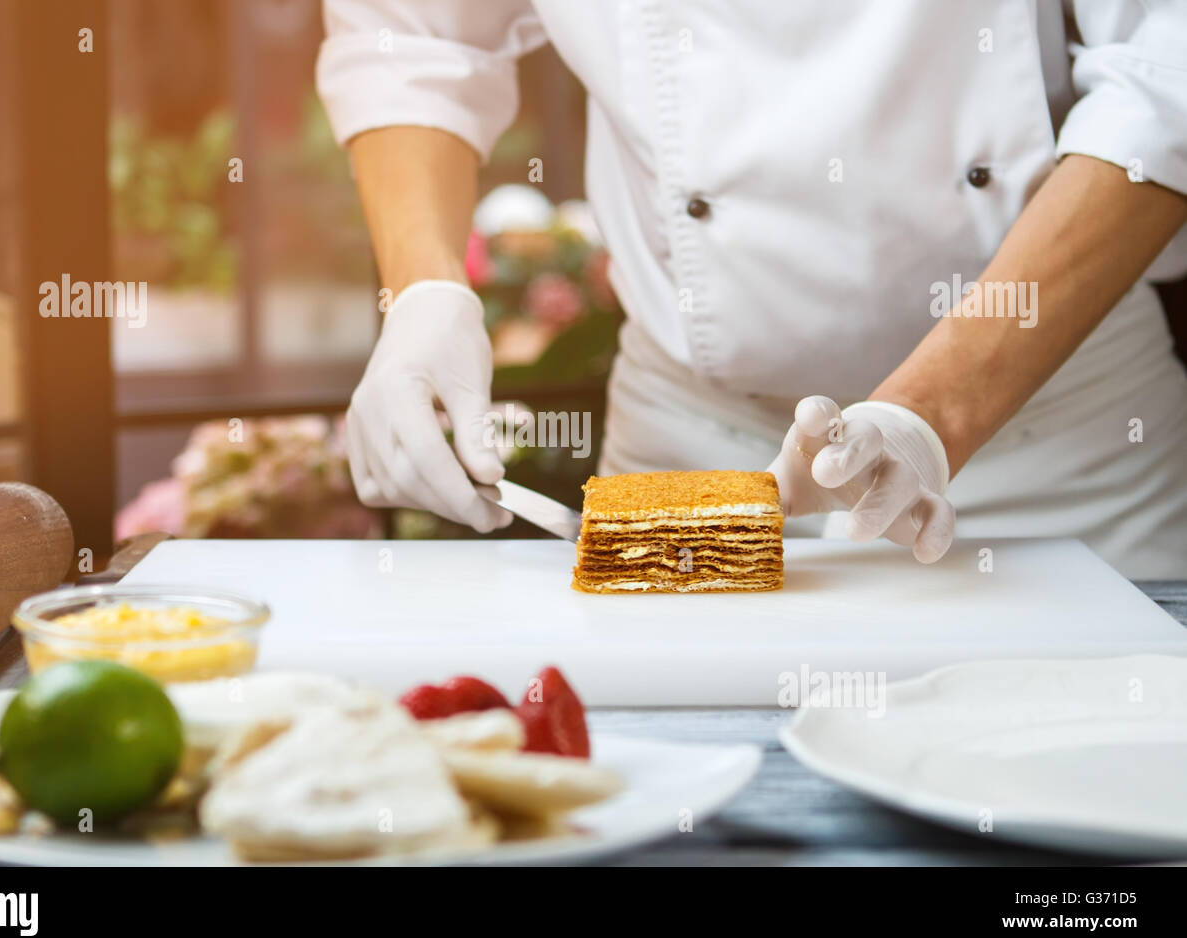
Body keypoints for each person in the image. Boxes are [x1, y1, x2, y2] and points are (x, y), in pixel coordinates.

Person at [318, 2, 1187, 578]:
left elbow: (1167, 69)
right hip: (690, 444)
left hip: (1053, 453)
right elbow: (417, 36)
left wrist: (936, 412)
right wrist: (427, 291)